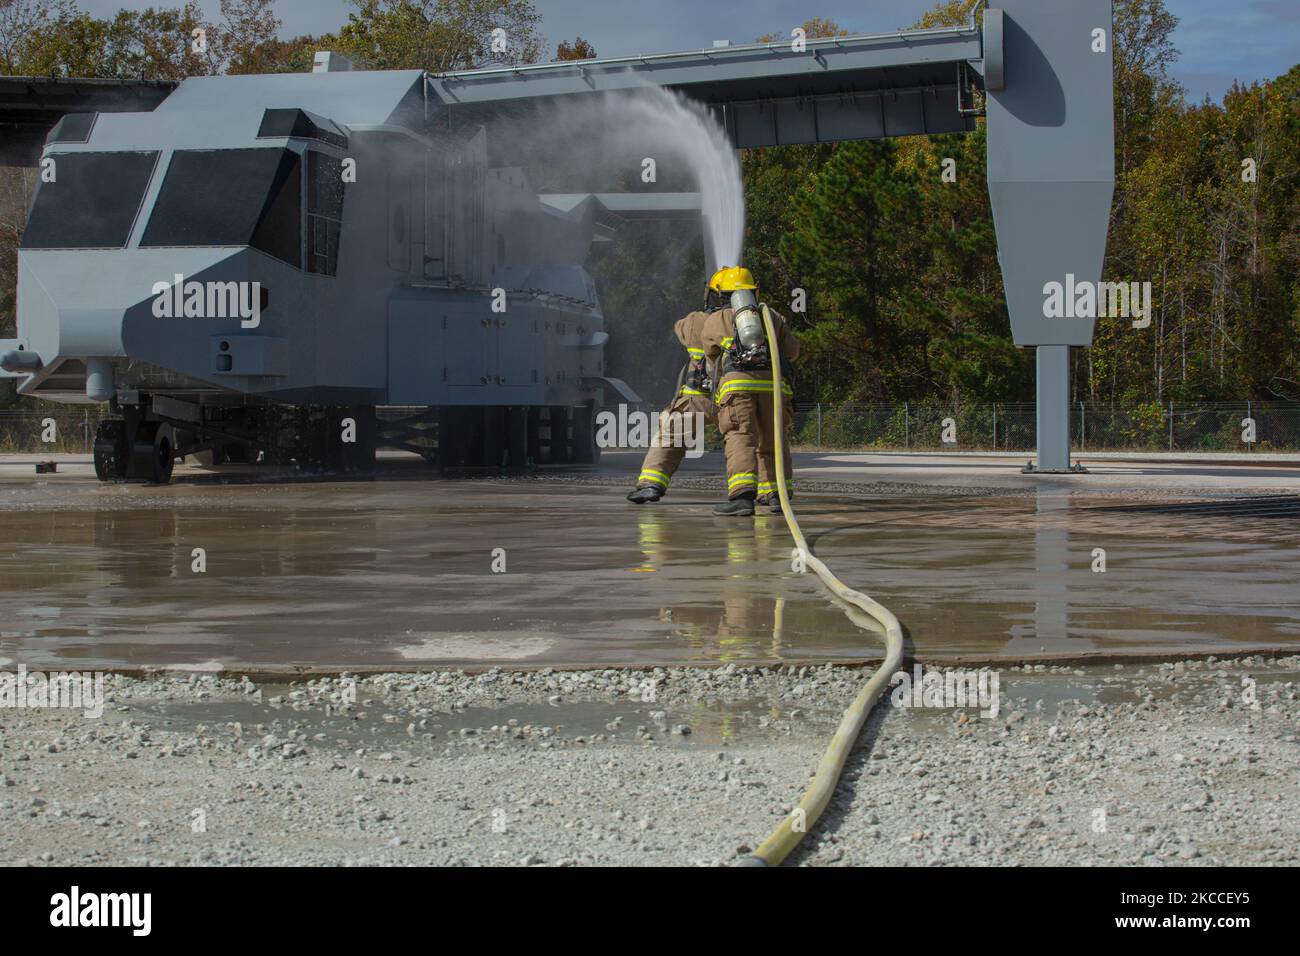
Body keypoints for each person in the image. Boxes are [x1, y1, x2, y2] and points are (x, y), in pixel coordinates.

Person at [699, 267, 799, 517]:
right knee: (773, 439)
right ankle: (776, 496)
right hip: (774, 386)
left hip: (737, 387)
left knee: (741, 436)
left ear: (719, 294)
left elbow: (709, 356)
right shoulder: (772, 315)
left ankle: (742, 498)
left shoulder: (715, 319)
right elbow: (793, 351)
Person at [626, 310, 717, 504]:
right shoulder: (761, 319)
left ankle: (651, 485)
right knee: (752, 442)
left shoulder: (698, 320)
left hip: (696, 397)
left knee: (669, 436)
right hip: (739, 396)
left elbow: (680, 327)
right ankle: (766, 492)